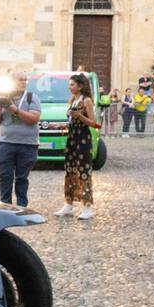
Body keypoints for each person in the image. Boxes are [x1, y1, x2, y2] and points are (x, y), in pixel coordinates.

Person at [0, 71, 41, 207]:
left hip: (27, 145)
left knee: (22, 178)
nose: (24, 82)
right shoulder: (3, 98)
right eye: (20, 80)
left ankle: (22, 206)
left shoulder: (32, 97)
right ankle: (5, 205)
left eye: (25, 80)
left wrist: (15, 110)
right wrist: (0, 107)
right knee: (5, 176)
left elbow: (34, 119)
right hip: (5, 143)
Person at [56, 73, 98, 220]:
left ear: (80, 86)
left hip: (83, 139)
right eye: (69, 84)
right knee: (70, 170)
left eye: (72, 84)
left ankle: (87, 207)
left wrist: (80, 116)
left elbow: (93, 122)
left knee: (83, 171)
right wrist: (62, 125)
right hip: (72, 138)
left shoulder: (87, 101)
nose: (69, 87)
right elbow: (71, 120)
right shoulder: (73, 100)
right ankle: (68, 204)